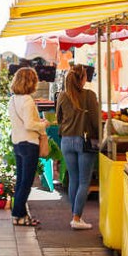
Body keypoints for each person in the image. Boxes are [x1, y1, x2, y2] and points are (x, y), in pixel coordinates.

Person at [55, 65, 101, 230]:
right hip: (85, 141)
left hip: (66, 141)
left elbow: (59, 118)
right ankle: (76, 217)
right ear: (82, 78)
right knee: (83, 181)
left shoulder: (62, 95)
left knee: (73, 179)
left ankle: (75, 215)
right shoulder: (90, 95)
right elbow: (96, 121)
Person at [8, 67, 48, 227]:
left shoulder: (12, 100)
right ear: (31, 82)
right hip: (29, 143)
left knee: (20, 181)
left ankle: (21, 216)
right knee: (26, 182)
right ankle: (17, 214)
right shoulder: (27, 100)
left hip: (17, 142)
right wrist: (43, 124)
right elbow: (30, 124)